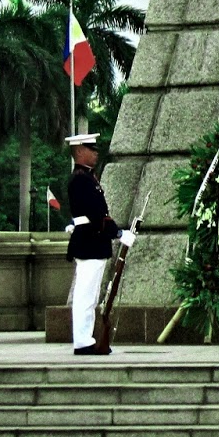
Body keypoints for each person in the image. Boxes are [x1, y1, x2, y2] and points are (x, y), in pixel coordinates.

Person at [65, 132, 131, 354]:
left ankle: (86, 338)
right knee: (86, 294)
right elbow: (95, 214)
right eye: (91, 150)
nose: (95, 153)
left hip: (91, 241)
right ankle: (83, 341)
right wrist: (118, 233)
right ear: (80, 151)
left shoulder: (87, 177)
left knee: (91, 294)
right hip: (90, 241)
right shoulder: (81, 179)